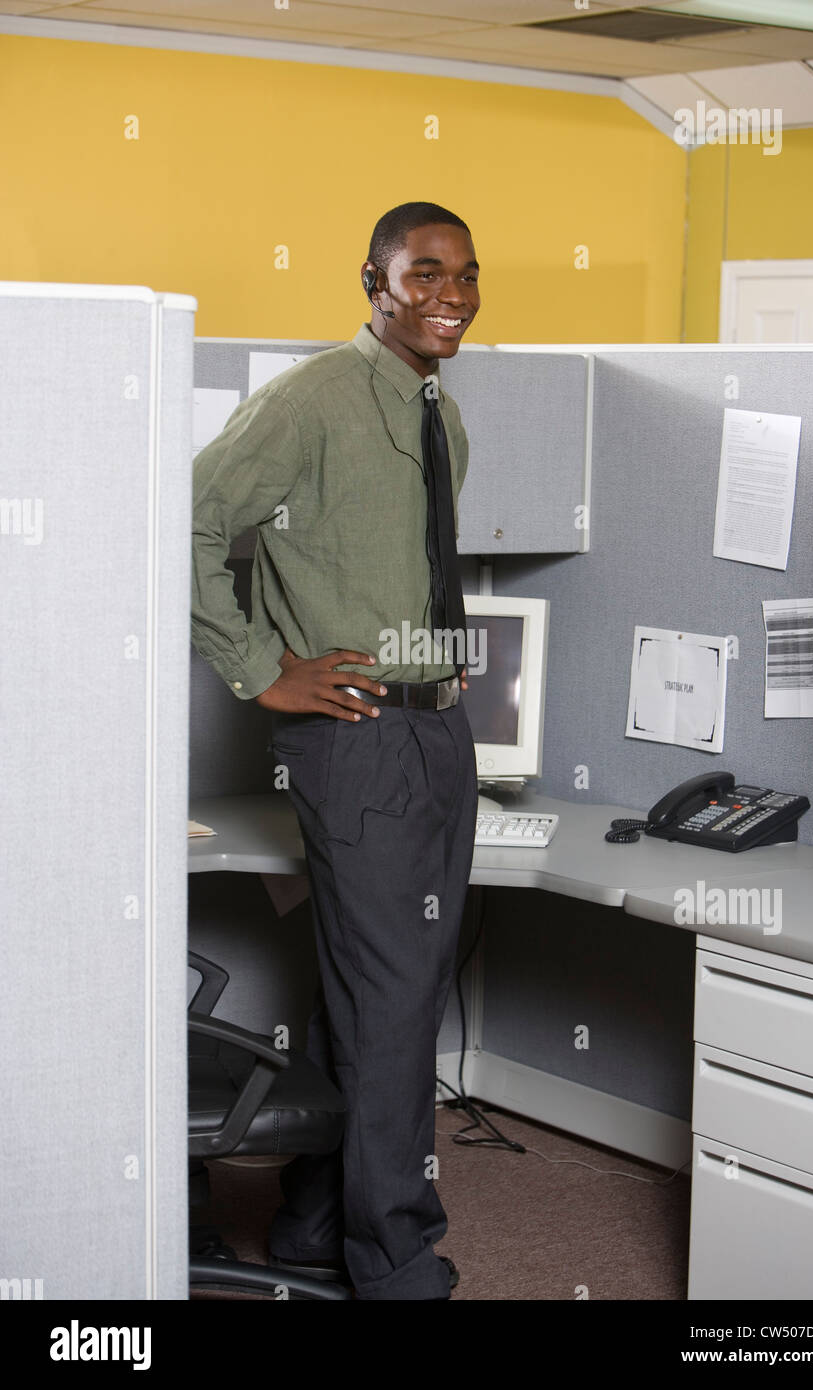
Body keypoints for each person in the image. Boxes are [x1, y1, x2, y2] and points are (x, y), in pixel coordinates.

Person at [191, 201, 481, 1300]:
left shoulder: (439, 420)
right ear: (373, 279)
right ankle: (396, 1258)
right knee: (395, 1001)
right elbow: (186, 521)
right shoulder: (308, 403)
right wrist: (261, 668)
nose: (447, 293)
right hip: (355, 736)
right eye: (423, 273)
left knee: (384, 990)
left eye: (463, 274)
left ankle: (317, 1217)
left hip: (435, 726)